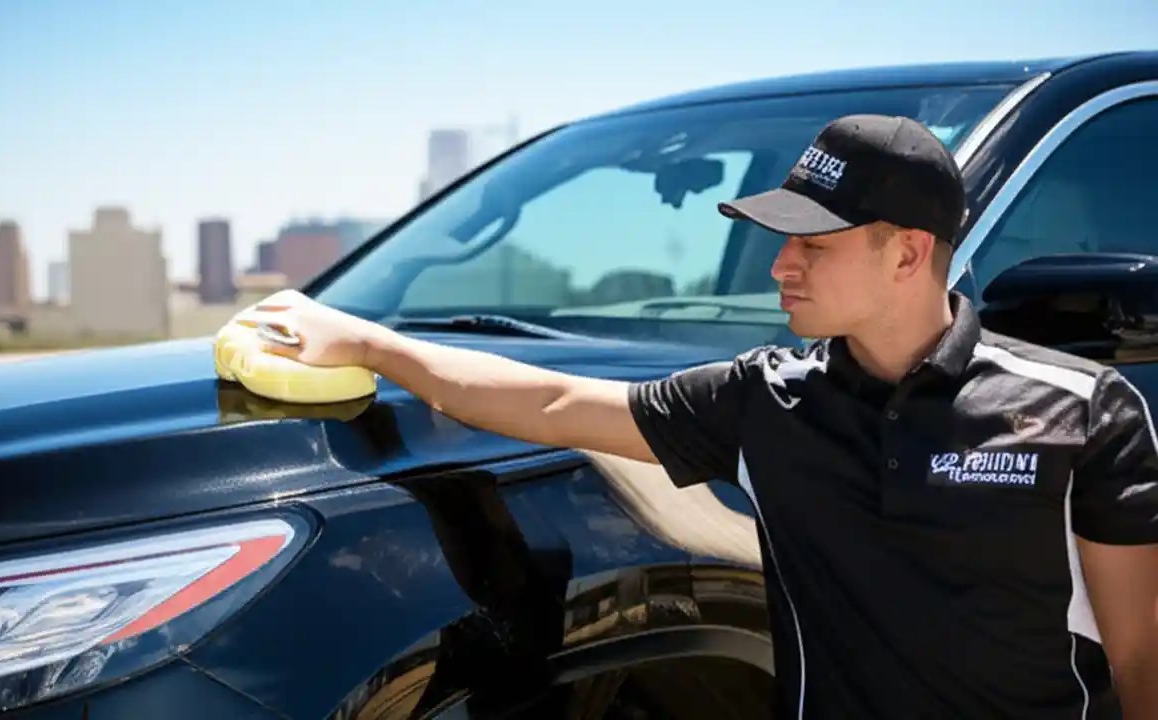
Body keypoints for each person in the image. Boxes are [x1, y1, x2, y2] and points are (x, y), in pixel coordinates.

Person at [251, 115, 1158, 719]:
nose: (779, 268)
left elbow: (1142, 661)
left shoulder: (1083, 413)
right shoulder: (765, 399)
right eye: (780, 240)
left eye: (812, 243)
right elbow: (557, 402)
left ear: (908, 254)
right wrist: (369, 343)